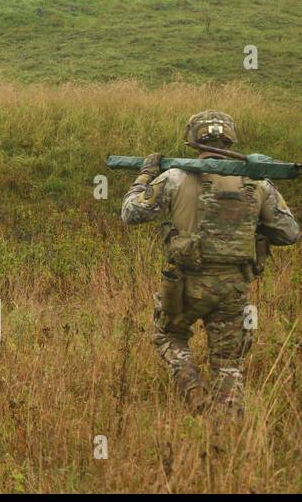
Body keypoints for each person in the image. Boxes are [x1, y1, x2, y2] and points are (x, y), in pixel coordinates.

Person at [121, 110, 299, 411]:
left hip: (186, 284)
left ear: (192, 140)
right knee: (228, 363)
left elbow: (131, 213)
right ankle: (230, 425)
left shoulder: (175, 177)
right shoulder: (259, 183)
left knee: (168, 334)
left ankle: (192, 387)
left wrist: (144, 176)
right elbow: (290, 233)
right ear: (231, 138)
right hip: (235, 286)